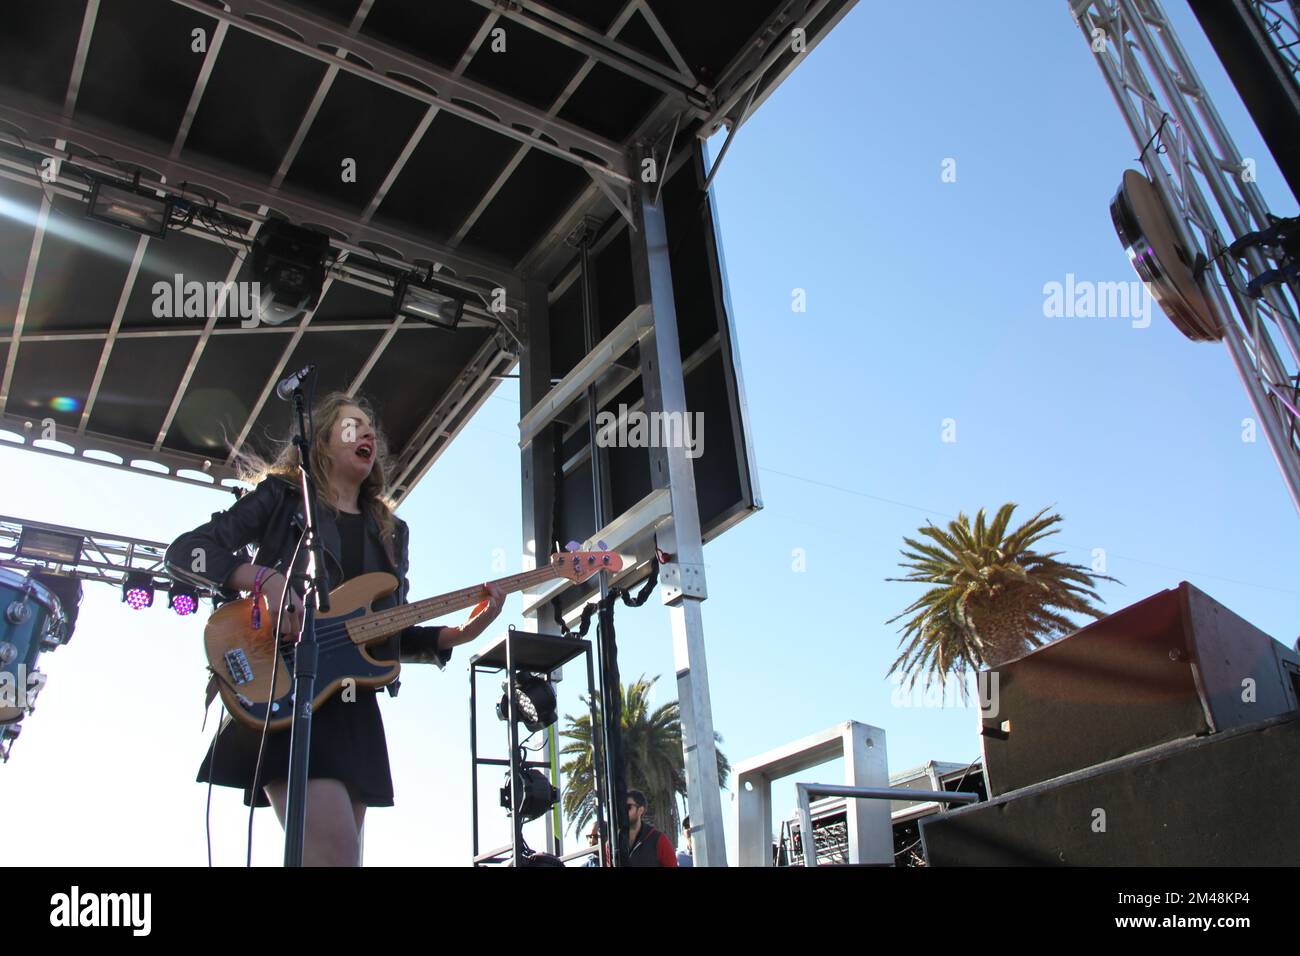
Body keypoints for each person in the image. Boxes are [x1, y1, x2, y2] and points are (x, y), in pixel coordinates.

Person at [166, 391, 504, 866]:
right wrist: (266, 580)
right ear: (321, 441)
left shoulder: (389, 530)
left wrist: (457, 636)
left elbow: (386, 630)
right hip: (283, 684)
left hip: (350, 703)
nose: (368, 433)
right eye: (352, 426)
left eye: (371, 427)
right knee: (335, 858)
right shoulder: (281, 497)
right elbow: (186, 553)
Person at [625, 789, 678, 867]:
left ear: (640, 810)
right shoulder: (611, 844)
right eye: (620, 807)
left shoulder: (659, 840)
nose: (623, 811)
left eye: (628, 807)